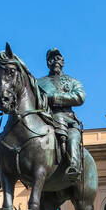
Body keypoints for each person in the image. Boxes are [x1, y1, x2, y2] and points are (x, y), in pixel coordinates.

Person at [36, 48, 85, 182]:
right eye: (51, 59)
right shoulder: (38, 83)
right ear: (47, 62)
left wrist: (55, 97)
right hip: (44, 119)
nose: (55, 61)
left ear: (63, 61)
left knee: (73, 138)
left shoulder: (72, 81)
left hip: (67, 119)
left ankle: (73, 166)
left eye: (58, 58)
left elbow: (80, 97)